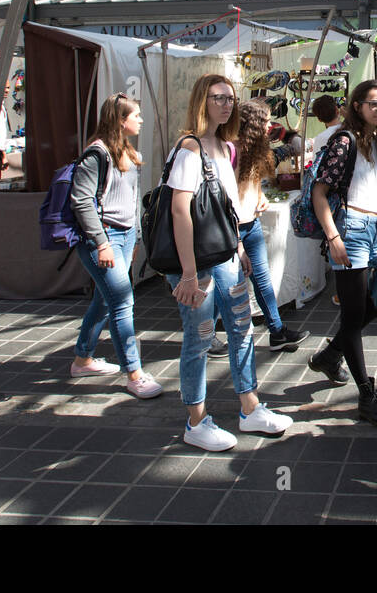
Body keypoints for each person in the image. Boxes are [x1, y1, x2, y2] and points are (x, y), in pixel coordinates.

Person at [167, 74, 293, 451]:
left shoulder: (224, 147)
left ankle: (249, 406)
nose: (226, 104)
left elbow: (224, 209)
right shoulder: (190, 149)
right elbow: (180, 211)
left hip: (226, 256)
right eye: (218, 98)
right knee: (199, 338)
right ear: (201, 101)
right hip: (199, 263)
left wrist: (237, 247)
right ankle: (196, 421)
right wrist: (189, 273)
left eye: (230, 99)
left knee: (241, 327)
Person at [307, 79, 377, 430]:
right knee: (354, 313)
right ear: (357, 105)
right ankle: (366, 395)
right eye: (373, 103)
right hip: (350, 229)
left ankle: (331, 355)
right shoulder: (344, 141)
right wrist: (333, 236)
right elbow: (320, 192)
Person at [68, 94, 162, 399]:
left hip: (121, 237)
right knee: (122, 301)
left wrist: (134, 236)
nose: (141, 119)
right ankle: (134, 374)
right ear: (120, 120)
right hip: (104, 238)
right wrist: (102, 242)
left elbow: (130, 199)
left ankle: (82, 359)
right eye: (136, 115)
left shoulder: (125, 151)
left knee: (106, 300)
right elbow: (81, 200)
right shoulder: (96, 154)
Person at [234, 99, 307, 351]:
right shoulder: (233, 152)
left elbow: (250, 183)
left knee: (262, 281)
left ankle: (276, 331)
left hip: (251, 223)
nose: (269, 127)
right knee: (227, 285)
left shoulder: (254, 152)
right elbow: (225, 196)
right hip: (235, 229)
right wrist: (237, 240)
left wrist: (259, 195)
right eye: (265, 122)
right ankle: (208, 334)